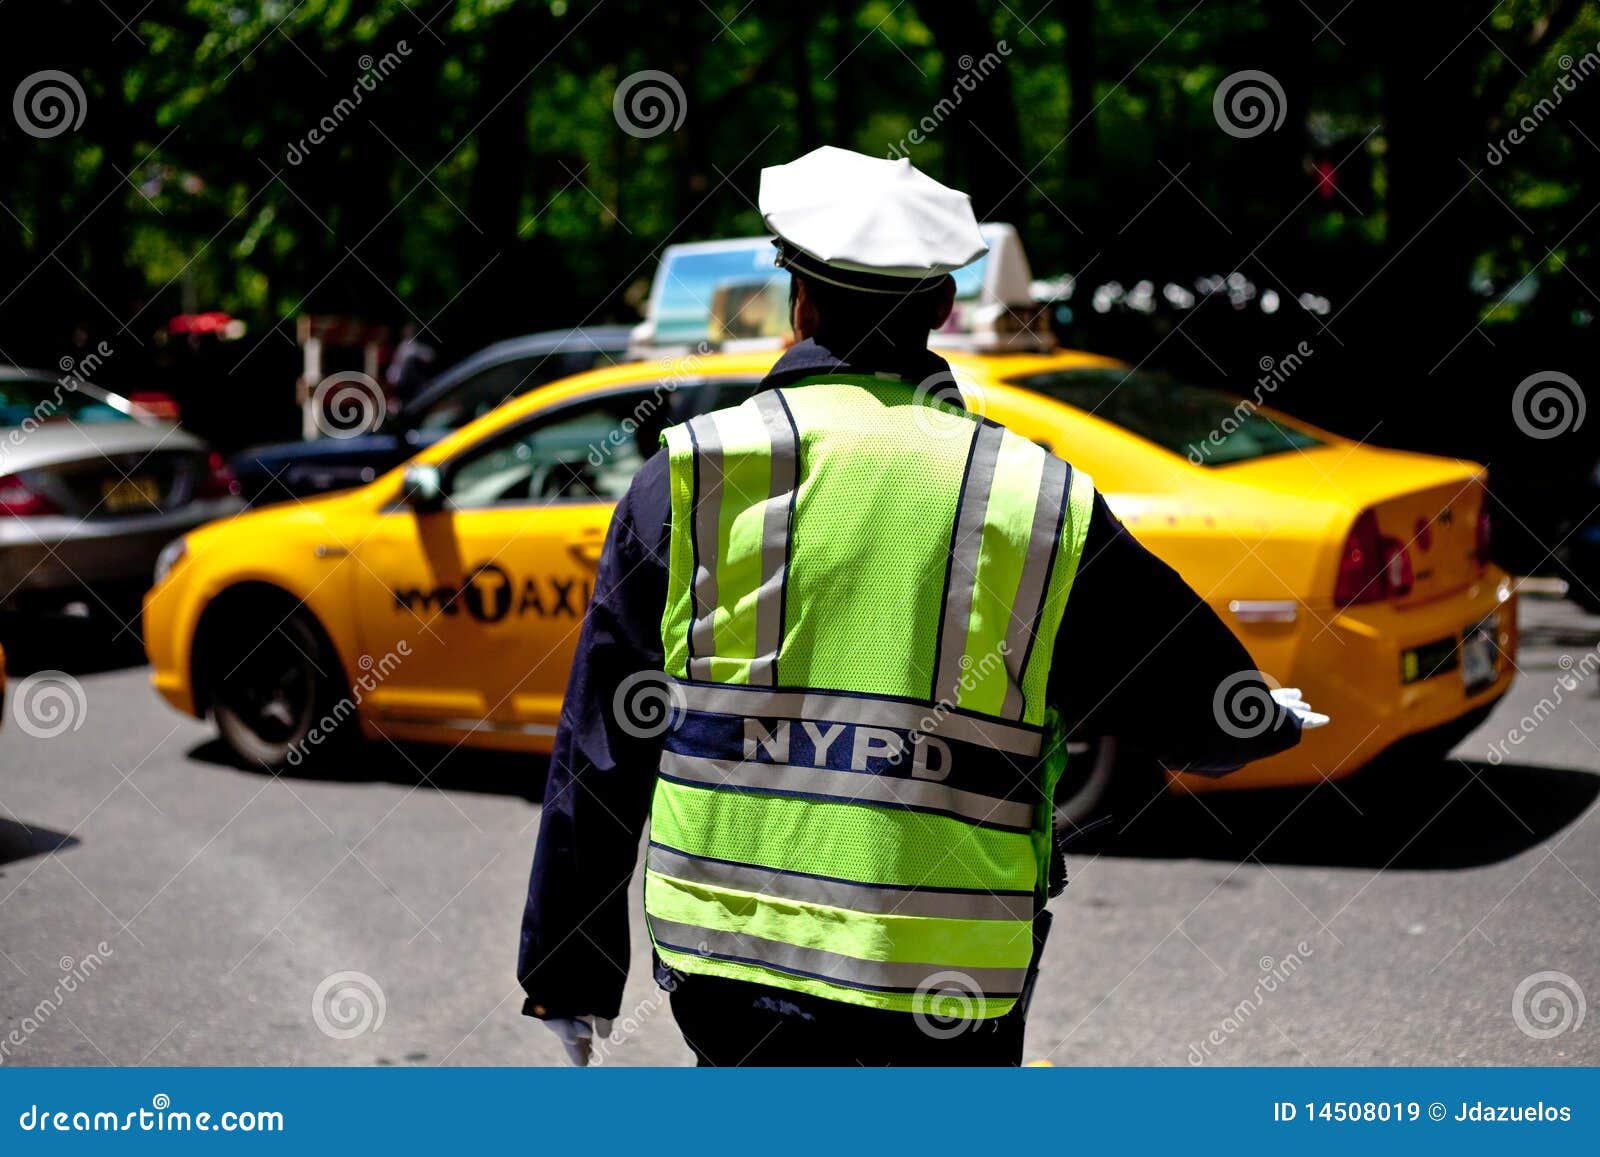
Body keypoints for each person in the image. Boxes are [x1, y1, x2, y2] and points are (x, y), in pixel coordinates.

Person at [517, 146, 1326, 1067]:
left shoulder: (690, 474)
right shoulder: (1035, 495)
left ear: (800, 303)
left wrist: (569, 971)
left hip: (729, 975)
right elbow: (1195, 704)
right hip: (946, 987)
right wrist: (1259, 716)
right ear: (943, 309)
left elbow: (600, 741)